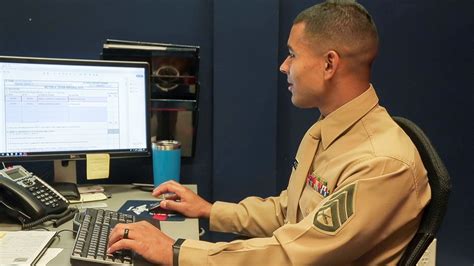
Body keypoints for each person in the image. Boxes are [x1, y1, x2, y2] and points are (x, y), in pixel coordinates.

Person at [107, 0, 431, 264]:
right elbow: (288, 213)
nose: (284, 66)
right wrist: (208, 211)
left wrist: (176, 251)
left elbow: (290, 254)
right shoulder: (325, 130)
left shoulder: (380, 164)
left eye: (293, 54)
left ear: (329, 64)